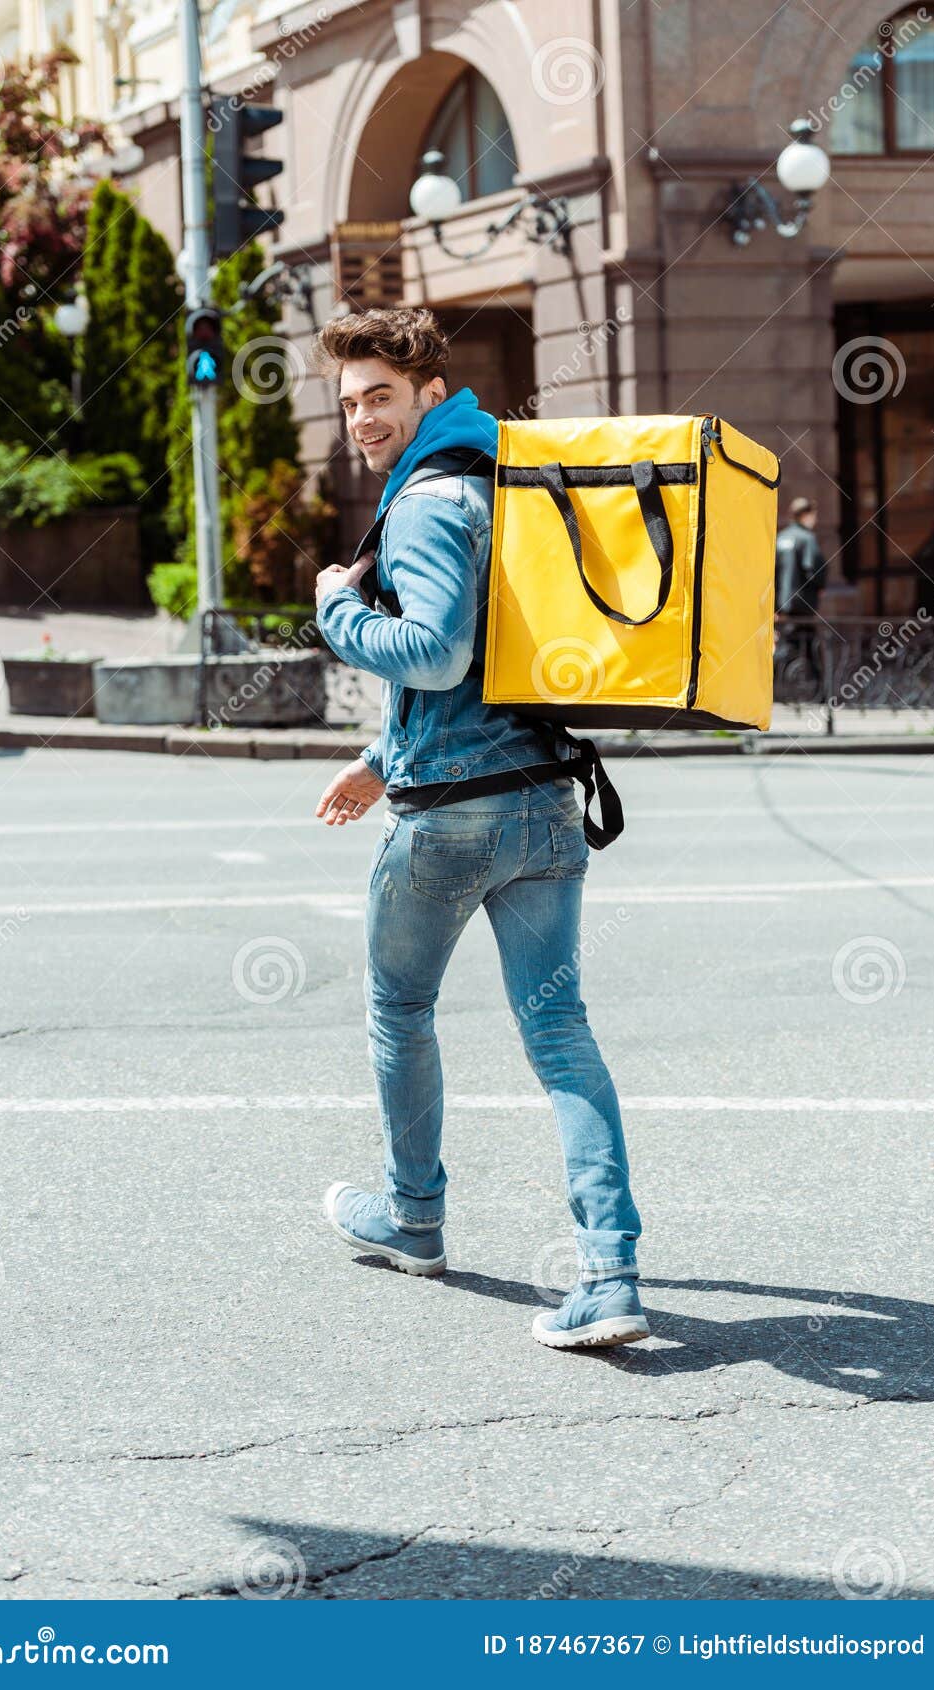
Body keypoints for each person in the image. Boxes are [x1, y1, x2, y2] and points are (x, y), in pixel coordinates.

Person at [309, 306, 647, 1351]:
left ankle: (414, 1218)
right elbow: (502, 661)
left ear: (424, 392)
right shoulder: (500, 473)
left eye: (378, 396)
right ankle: (611, 1273)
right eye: (350, 400)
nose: (363, 417)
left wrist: (334, 611)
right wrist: (377, 758)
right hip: (543, 797)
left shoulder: (428, 499)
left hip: (455, 821)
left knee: (398, 1010)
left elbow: (440, 652)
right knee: (560, 1034)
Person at [775, 496, 826, 618]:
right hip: (803, 604)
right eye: (814, 515)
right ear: (805, 515)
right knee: (803, 635)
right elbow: (814, 568)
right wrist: (820, 586)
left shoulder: (780, 537)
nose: (815, 520)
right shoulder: (807, 538)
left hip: (780, 603)